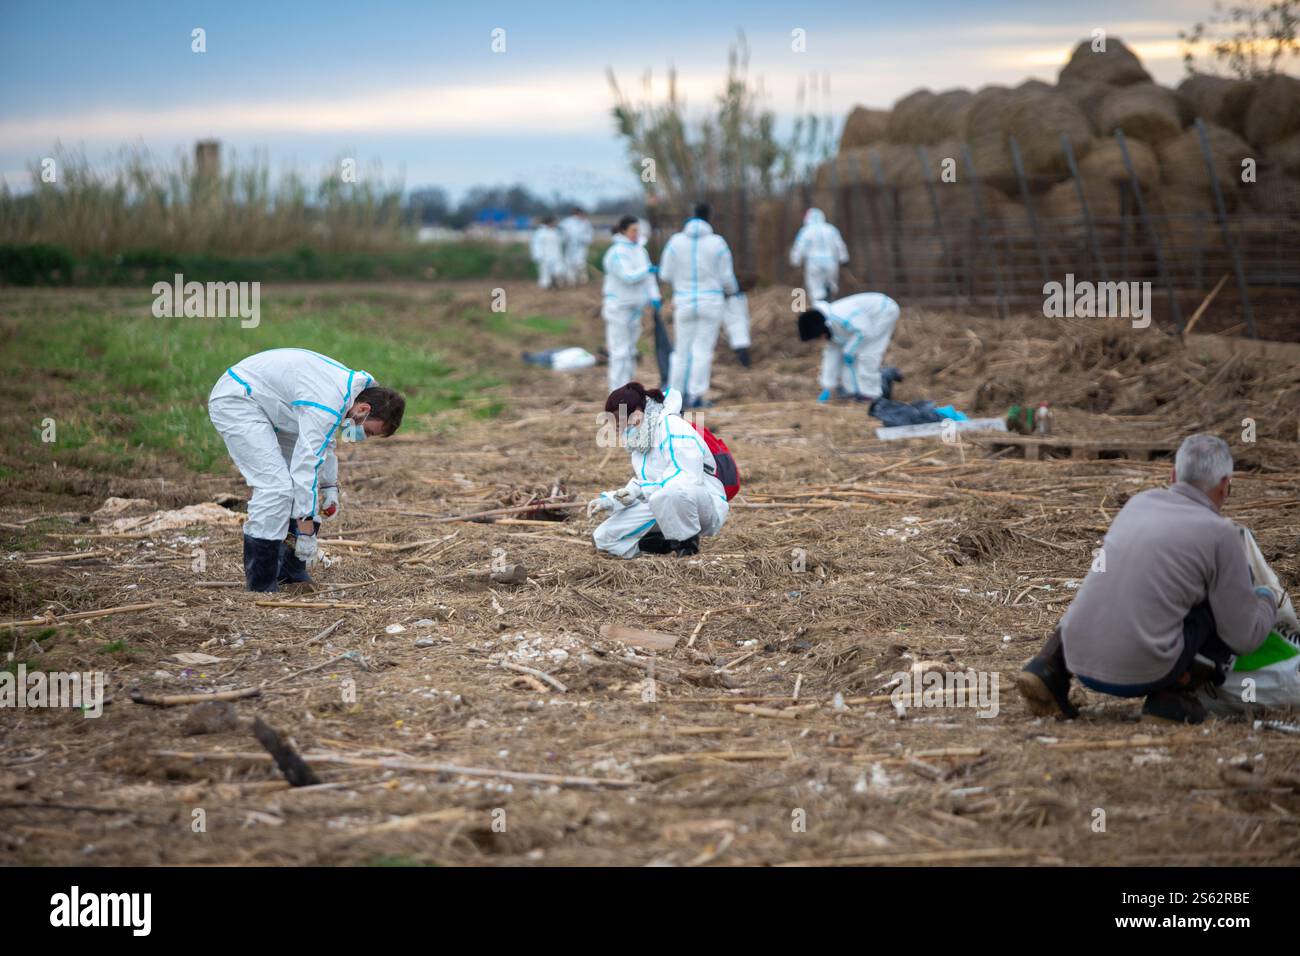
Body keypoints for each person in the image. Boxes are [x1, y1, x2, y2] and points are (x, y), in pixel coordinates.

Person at [1016, 434, 1279, 725]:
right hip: (1146, 672)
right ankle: (1171, 698)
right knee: (1218, 605)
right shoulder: (1222, 534)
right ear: (1225, 486)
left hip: (1079, 658)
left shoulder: (1137, 505)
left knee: (1109, 587)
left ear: (1174, 475)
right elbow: (1242, 637)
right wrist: (1266, 598)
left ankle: (1048, 668)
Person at [207, 349, 405, 592]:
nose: (365, 437)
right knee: (276, 487)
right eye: (370, 431)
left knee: (303, 487)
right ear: (363, 409)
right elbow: (306, 466)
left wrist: (330, 487)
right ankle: (261, 582)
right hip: (239, 399)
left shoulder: (349, 396)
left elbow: (323, 446)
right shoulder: (329, 402)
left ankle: (290, 571)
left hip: (277, 408)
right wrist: (307, 532)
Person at [588, 382, 728, 559]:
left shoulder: (672, 425)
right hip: (660, 501)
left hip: (698, 502)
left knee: (669, 494)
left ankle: (687, 546)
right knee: (603, 539)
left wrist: (643, 491)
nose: (620, 429)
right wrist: (614, 499)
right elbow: (649, 483)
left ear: (637, 411)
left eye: (621, 421)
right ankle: (665, 543)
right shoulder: (640, 442)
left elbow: (687, 476)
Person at [658, 202, 739, 408]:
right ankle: (696, 395)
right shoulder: (718, 243)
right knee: (703, 350)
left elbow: (665, 274)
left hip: (684, 302)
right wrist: (732, 292)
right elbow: (727, 277)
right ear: (709, 218)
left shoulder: (675, 242)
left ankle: (675, 396)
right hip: (711, 302)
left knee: (681, 350)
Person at [797, 292, 900, 402]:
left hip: (883, 311)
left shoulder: (842, 316)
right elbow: (831, 356)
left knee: (867, 355)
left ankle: (871, 396)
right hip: (865, 323)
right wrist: (828, 386)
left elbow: (863, 331)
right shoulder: (829, 327)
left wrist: (849, 350)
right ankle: (855, 392)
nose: (819, 340)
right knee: (853, 356)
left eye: (817, 337)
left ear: (820, 331)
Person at [600, 216, 660, 391]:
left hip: (635, 308)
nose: (636, 234)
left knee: (631, 350)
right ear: (624, 231)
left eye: (638, 230)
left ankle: (627, 388)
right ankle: (616, 391)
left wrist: (654, 296)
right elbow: (628, 276)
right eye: (633, 230)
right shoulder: (616, 252)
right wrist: (647, 270)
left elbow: (649, 279)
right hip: (618, 308)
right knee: (619, 351)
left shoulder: (640, 251)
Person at [790, 208, 849, 302]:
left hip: (813, 263)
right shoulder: (831, 229)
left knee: (816, 291)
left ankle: (821, 309)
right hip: (831, 262)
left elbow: (799, 246)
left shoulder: (806, 231)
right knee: (830, 286)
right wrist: (844, 259)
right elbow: (840, 245)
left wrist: (795, 261)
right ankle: (829, 304)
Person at [558, 207, 594, 285]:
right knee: (569, 263)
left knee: (580, 263)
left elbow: (589, 234)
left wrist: (584, 240)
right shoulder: (567, 222)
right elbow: (561, 232)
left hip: (581, 246)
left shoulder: (585, 223)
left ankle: (583, 279)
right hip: (569, 246)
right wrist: (565, 239)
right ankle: (571, 280)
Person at [529, 216, 564, 289]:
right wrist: (537, 255)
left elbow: (560, 243)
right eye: (554, 223)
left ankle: (555, 283)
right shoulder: (540, 233)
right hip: (544, 256)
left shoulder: (556, 232)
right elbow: (535, 245)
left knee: (558, 271)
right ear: (549, 223)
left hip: (556, 256)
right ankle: (547, 288)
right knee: (545, 275)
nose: (555, 224)